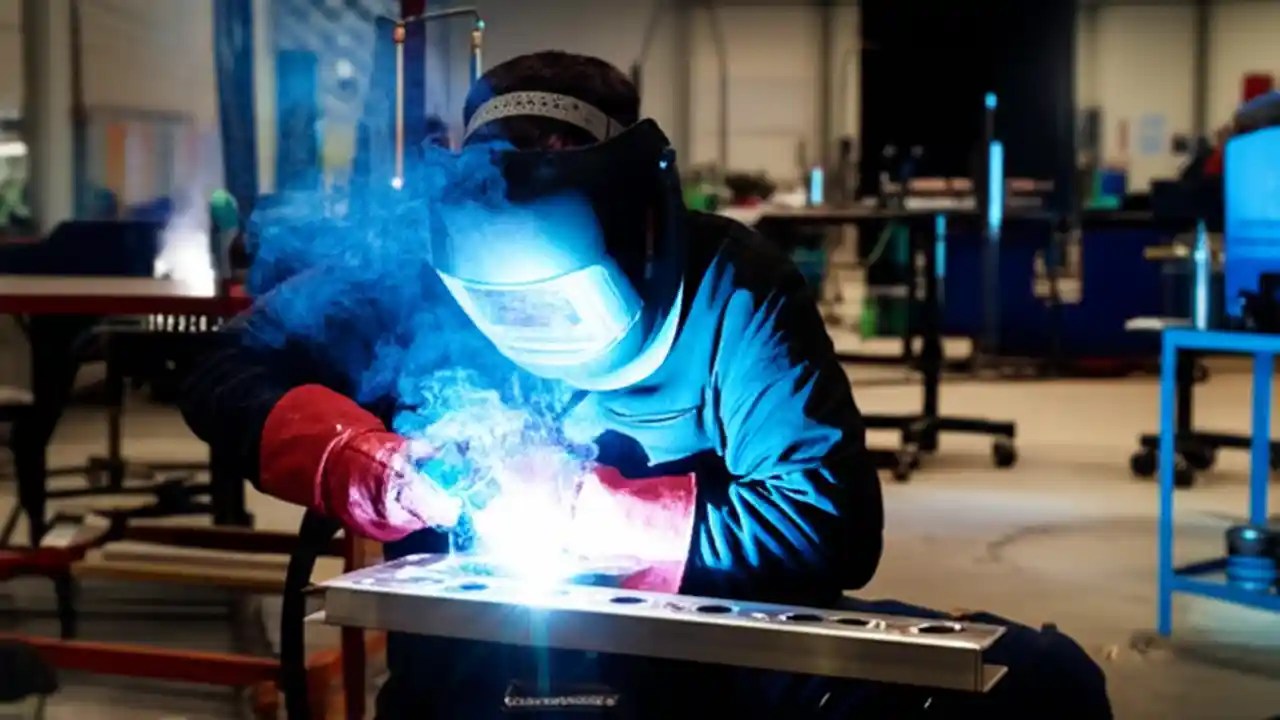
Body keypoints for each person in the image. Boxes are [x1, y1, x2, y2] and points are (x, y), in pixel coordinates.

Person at [180, 51, 1111, 719]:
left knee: (1044, 685)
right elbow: (221, 365)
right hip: (480, 658)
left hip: (711, 652)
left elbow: (830, 524)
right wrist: (380, 467)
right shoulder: (419, 272)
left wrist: (592, 510)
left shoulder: (732, 285)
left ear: (637, 216)